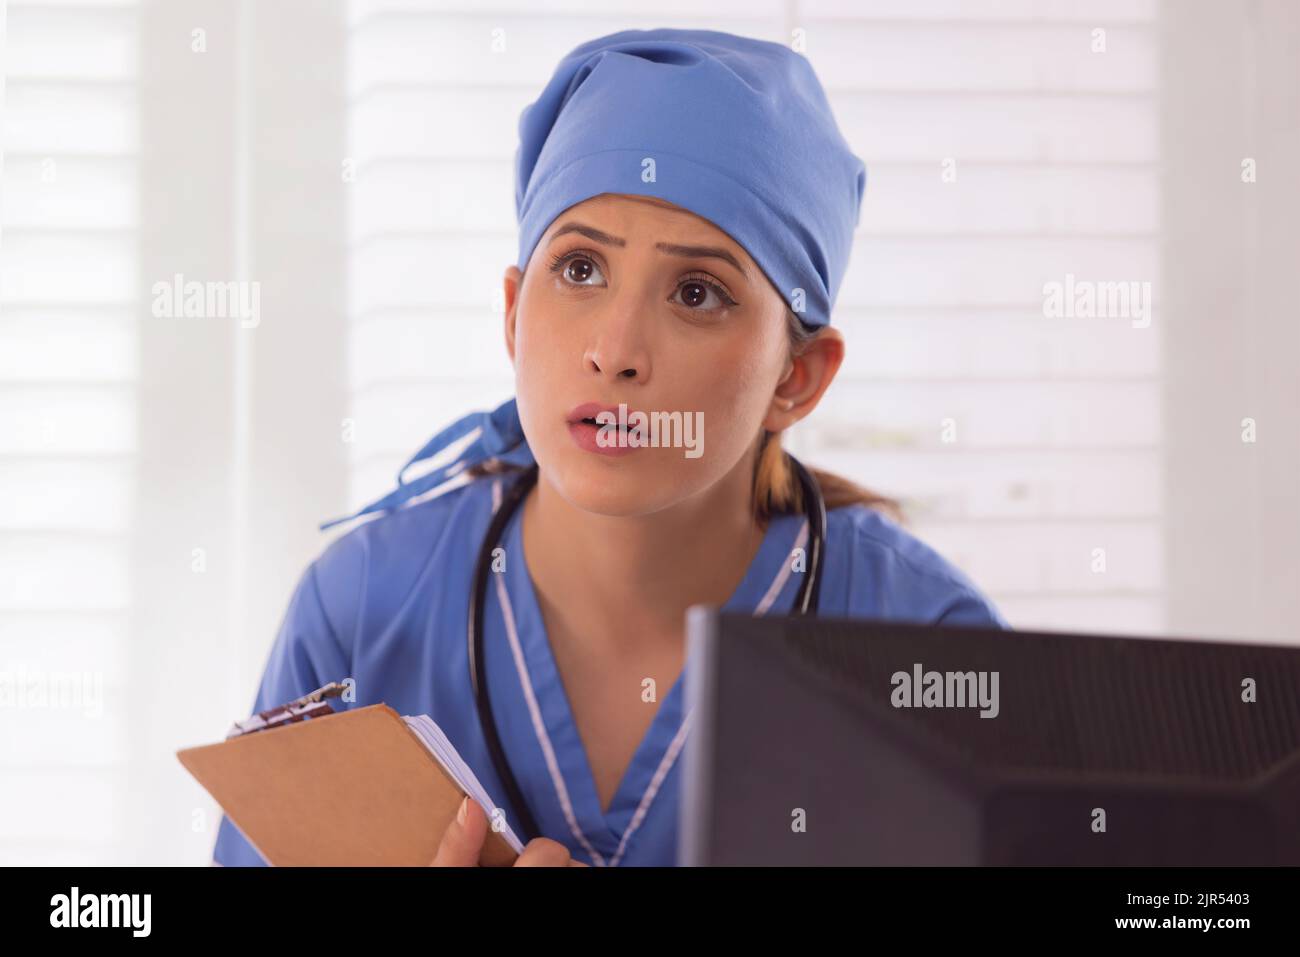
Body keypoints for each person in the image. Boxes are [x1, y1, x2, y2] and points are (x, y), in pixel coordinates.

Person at [211, 27, 1009, 869]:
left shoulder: (930, 642)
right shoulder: (360, 612)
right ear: (514, 316)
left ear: (798, 376)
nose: (615, 349)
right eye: (581, 270)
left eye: (697, 292)